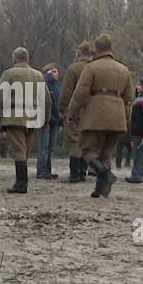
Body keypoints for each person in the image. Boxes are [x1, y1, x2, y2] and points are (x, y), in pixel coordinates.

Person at [66, 33, 134, 198]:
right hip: (118, 116)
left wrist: (71, 113)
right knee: (106, 153)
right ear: (111, 48)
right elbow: (129, 99)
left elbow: (80, 93)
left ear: (96, 49)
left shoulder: (91, 67)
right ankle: (101, 190)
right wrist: (126, 118)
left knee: (87, 149)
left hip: (96, 116)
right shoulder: (123, 69)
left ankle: (105, 174)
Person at [0, 47, 51, 194]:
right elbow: (47, 100)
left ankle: (21, 184)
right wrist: (45, 120)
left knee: (19, 150)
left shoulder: (9, 73)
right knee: (25, 149)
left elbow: (0, 96)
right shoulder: (38, 75)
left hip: (15, 116)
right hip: (33, 116)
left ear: (14, 59)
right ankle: (21, 182)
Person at [59, 42, 93, 183]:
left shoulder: (73, 69)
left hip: (75, 111)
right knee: (86, 141)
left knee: (74, 141)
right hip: (91, 111)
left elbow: (67, 92)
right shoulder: (94, 68)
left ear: (79, 53)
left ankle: (75, 174)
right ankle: (83, 172)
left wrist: (62, 108)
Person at [34, 63, 62, 179]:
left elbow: (58, 105)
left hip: (55, 120)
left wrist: (60, 121)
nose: (57, 74)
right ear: (48, 72)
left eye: (57, 71)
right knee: (44, 146)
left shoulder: (56, 86)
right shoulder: (43, 83)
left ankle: (47, 170)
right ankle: (41, 171)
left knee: (50, 147)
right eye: (54, 71)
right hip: (46, 120)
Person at [126, 77, 143, 184]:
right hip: (136, 132)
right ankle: (135, 174)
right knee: (136, 154)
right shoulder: (140, 99)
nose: (137, 87)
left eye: (140, 85)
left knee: (140, 155)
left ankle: (137, 175)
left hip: (140, 133)